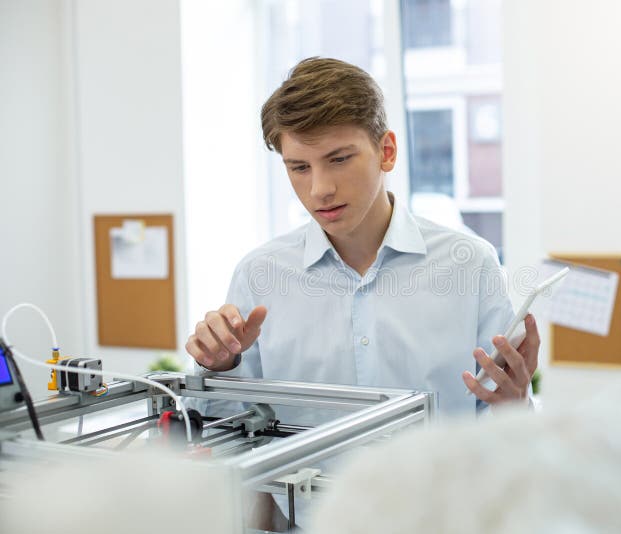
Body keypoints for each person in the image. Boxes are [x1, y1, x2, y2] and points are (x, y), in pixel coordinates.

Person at [184, 57, 540, 529]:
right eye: (299, 167)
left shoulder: (469, 263)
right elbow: (229, 432)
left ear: (387, 151)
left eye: (339, 159)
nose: (320, 189)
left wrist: (515, 404)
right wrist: (219, 367)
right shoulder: (260, 274)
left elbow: (502, 429)